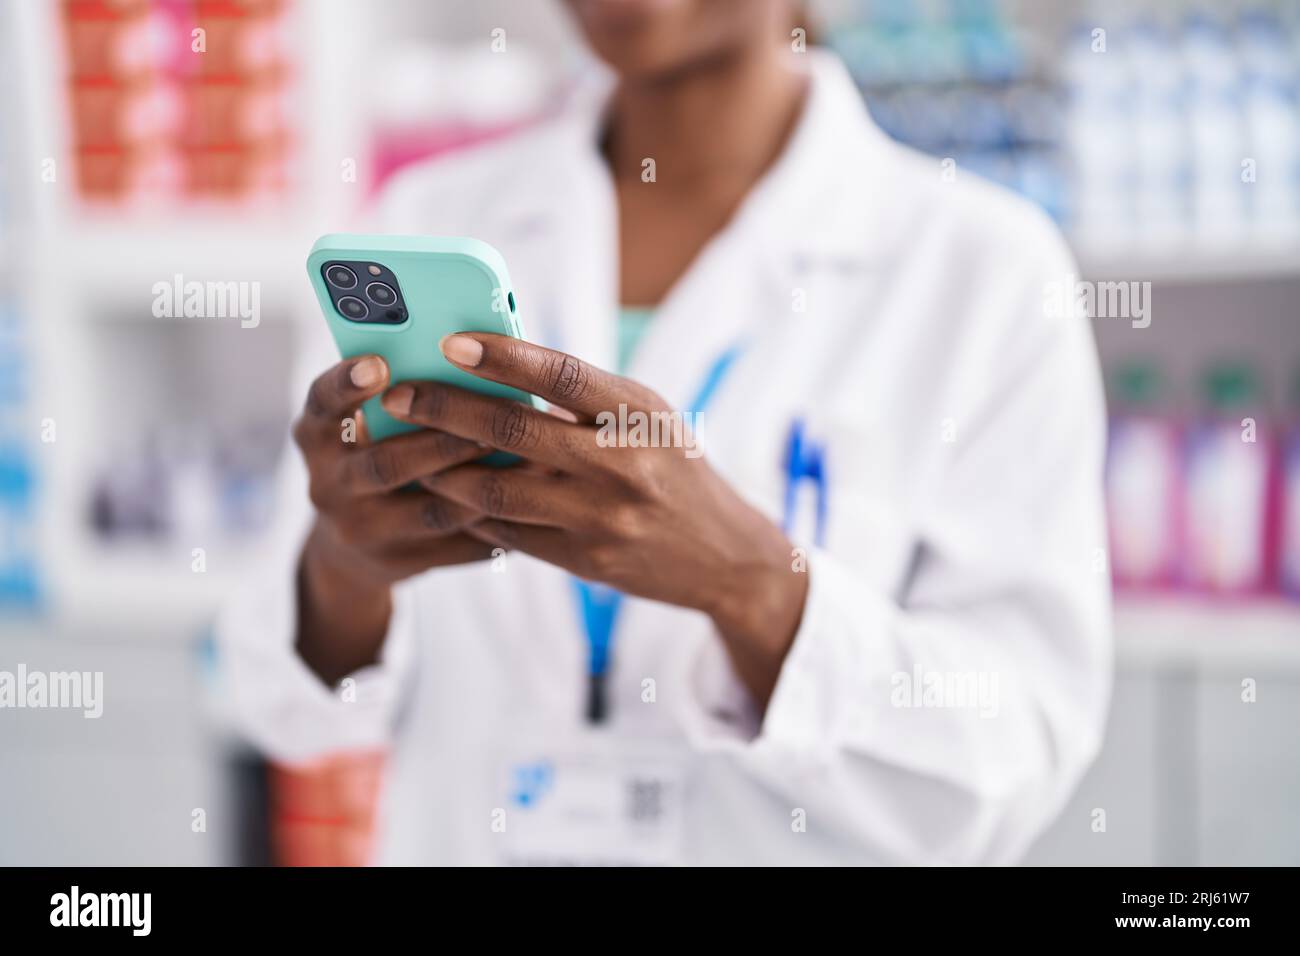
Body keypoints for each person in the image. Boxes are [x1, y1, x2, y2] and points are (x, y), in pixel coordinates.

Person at [217, 0, 1112, 865]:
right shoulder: (418, 227)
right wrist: (343, 570)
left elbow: (1016, 753)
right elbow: (277, 702)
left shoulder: (984, 273)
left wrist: (755, 586)